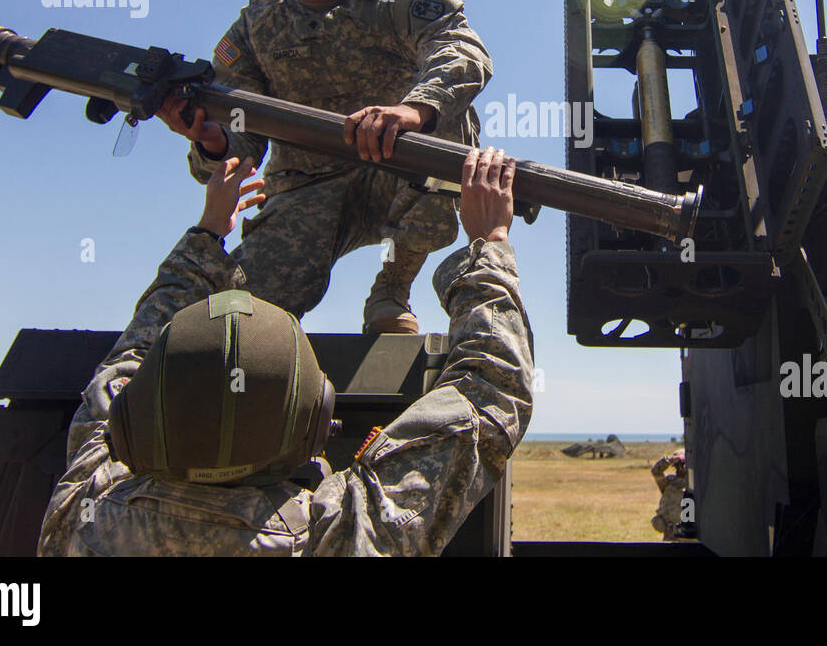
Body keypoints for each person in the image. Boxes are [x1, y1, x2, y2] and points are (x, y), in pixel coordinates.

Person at [38, 146, 531, 556]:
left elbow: (132, 352)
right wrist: (489, 239)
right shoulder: (334, 536)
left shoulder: (81, 510)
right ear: (316, 424)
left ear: (135, 413)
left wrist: (208, 234)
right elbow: (491, 387)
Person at [158, 0, 492, 334]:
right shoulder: (259, 24)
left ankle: (393, 287)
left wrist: (412, 110)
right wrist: (212, 141)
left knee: (452, 121)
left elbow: (463, 49)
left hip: (397, 168)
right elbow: (239, 141)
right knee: (233, 320)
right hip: (306, 187)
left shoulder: (390, 2)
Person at [650, 449, 688, 540]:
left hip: (689, 535)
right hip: (670, 535)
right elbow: (656, 472)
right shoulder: (669, 483)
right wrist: (670, 460)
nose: (680, 468)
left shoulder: (696, 484)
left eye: (683, 465)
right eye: (677, 465)